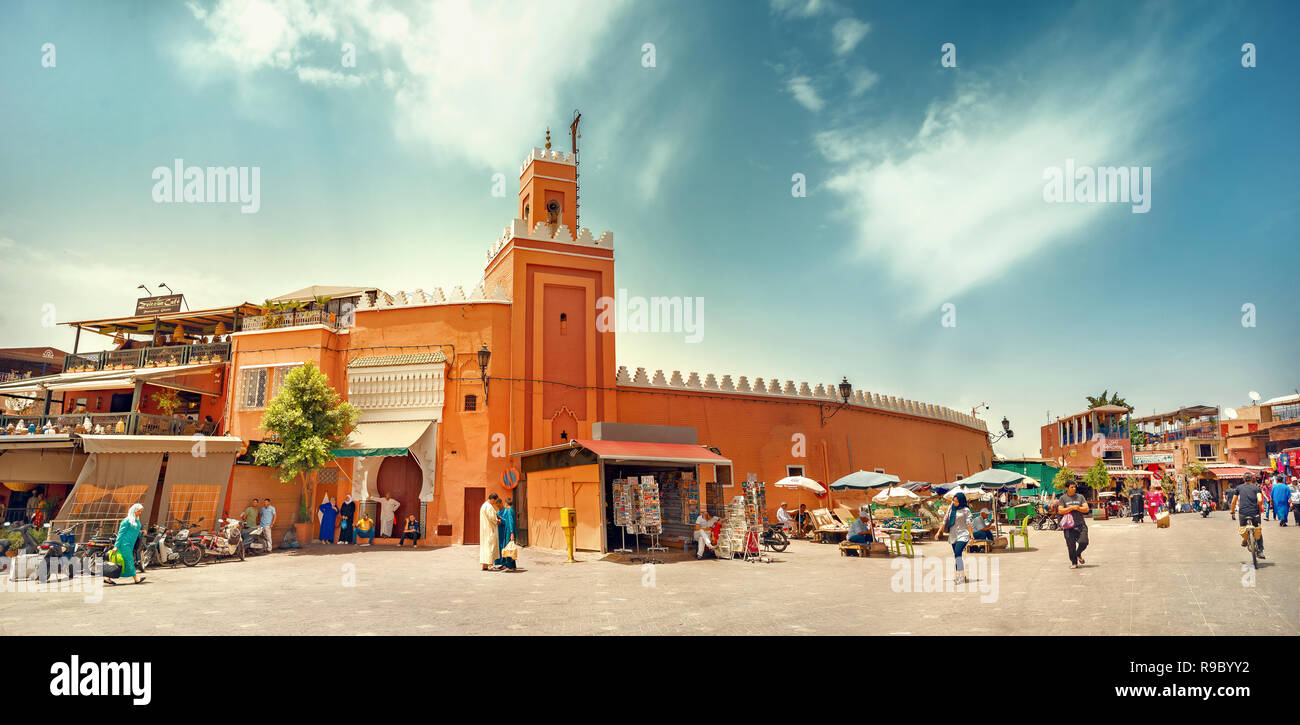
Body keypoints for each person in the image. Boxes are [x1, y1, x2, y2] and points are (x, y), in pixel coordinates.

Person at [104, 503, 145, 585]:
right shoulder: (126, 521)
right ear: (134, 511)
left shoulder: (136, 520)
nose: (139, 513)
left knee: (121, 562)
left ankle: (107, 578)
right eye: (138, 511)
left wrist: (142, 533)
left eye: (140, 512)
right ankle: (136, 578)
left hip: (130, 544)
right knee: (129, 560)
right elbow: (121, 534)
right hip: (124, 544)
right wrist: (116, 546)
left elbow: (136, 532)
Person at [939, 493, 974, 585]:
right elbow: (945, 520)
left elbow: (969, 523)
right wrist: (939, 532)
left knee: (958, 553)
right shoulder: (951, 509)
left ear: (961, 501)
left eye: (957, 501)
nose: (954, 503)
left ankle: (959, 577)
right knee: (957, 556)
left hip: (963, 534)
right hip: (953, 535)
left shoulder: (966, 510)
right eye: (953, 501)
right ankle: (962, 575)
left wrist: (971, 536)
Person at [1230, 474, 1266, 560]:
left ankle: (1245, 540)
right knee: (1258, 530)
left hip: (1243, 512)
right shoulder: (1256, 488)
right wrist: (1260, 507)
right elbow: (1260, 500)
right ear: (1252, 479)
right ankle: (1260, 551)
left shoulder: (1239, 488)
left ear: (1243, 479)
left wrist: (1232, 511)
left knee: (1243, 527)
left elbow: (1233, 501)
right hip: (1255, 512)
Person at [1057, 481, 1090, 569]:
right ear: (1067, 488)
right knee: (1071, 545)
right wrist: (1071, 508)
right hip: (1068, 526)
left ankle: (1078, 553)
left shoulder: (1080, 497)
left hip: (1080, 524)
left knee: (1084, 542)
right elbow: (1060, 510)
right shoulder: (1063, 498)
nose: (1074, 488)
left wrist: (1078, 508)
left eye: (1075, 487)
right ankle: (1074, 562)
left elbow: (1086, 509)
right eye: (1072, 487)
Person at [479, 493, 501, 571]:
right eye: (495, 501)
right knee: (490, 546)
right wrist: (497, 520)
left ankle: (484, 566)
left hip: (484, 530)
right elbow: (491, 518)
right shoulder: (489, 506)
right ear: (492, 499)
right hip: (489, 530)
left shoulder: (483, 506)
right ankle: (490, 565)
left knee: (485, 547)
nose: (494, 502)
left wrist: (496, 517)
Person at [496, 498, 517, 570]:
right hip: (509, 531)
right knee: (510, 548)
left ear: (506, 504)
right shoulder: (512, 510)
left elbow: (510, 522)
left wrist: (511, 533)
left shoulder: (508, 511)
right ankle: (513, 566)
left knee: (508, 549)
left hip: (509, 532)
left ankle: (510, 566)